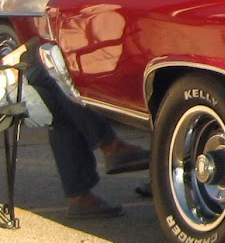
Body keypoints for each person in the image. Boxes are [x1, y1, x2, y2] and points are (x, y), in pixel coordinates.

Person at [7, 42, 148, 218]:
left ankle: (80, 194)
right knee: (58, 82)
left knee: (53, 70)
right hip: (6, 83)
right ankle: (111, 149)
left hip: (16, 69)